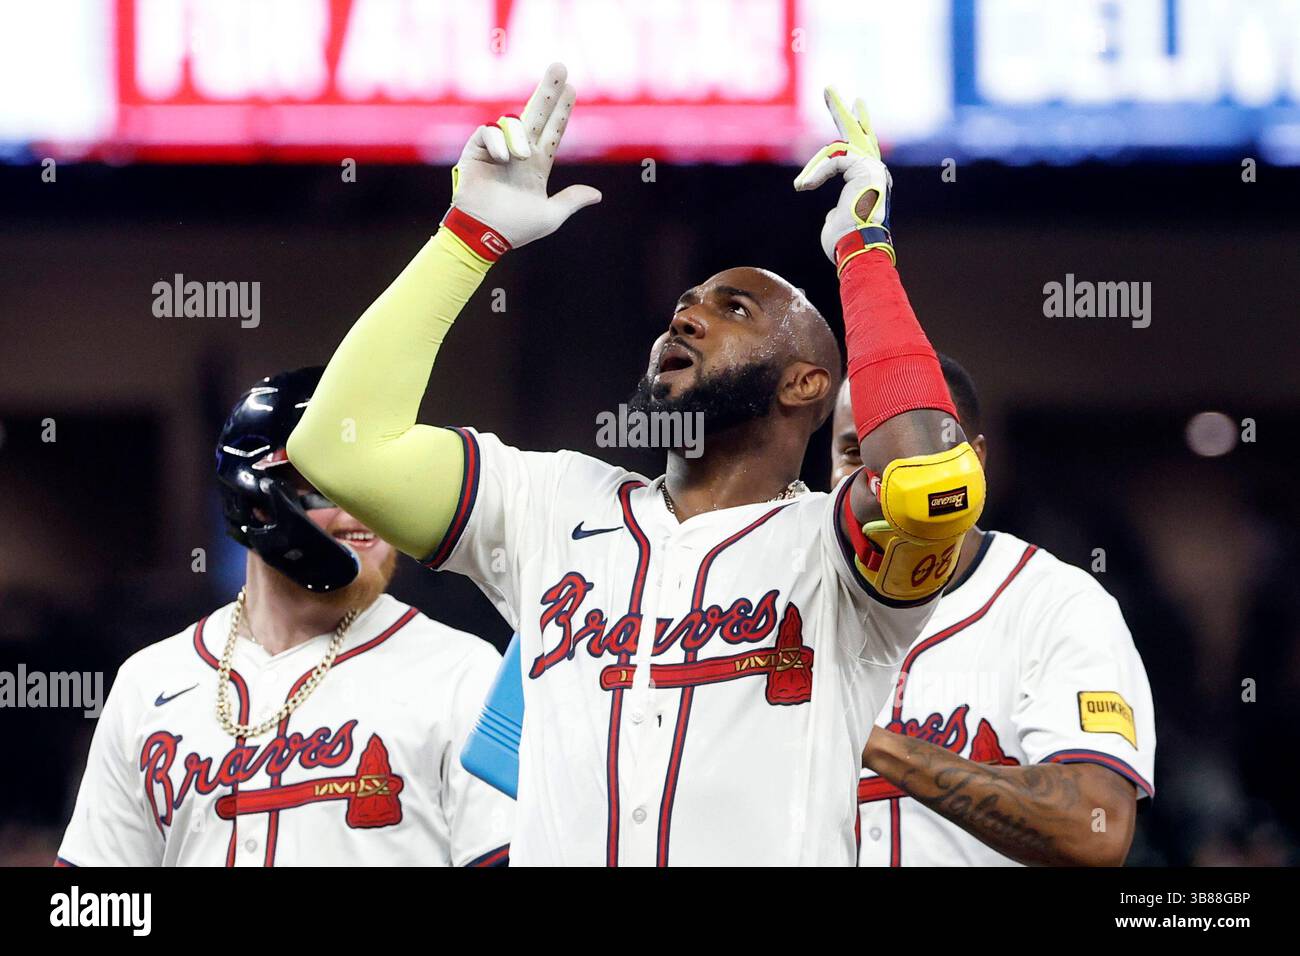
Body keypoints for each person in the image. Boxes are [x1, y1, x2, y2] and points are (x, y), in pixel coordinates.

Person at [287, 64, 985, 866]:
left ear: (807, 383)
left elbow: (933, 486)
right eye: (685, 303)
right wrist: (466, 239)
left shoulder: (831, 550)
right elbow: (338, 447)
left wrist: (863, 255)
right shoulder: (550, 503)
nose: (687, 314)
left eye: (733, 308)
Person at [56, 367, 514, 867]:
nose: (363, 516)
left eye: (383, 489)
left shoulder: (462, 674)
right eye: (329, 490)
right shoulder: (148, 684)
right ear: (256, 501)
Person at [830, 358, 1156, 866]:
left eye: (909, 456)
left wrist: (868, 742)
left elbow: (1097, 830)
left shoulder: (1057, 604)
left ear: (973, 462)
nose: (880, 482)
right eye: (854, 454)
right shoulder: (792, 608)